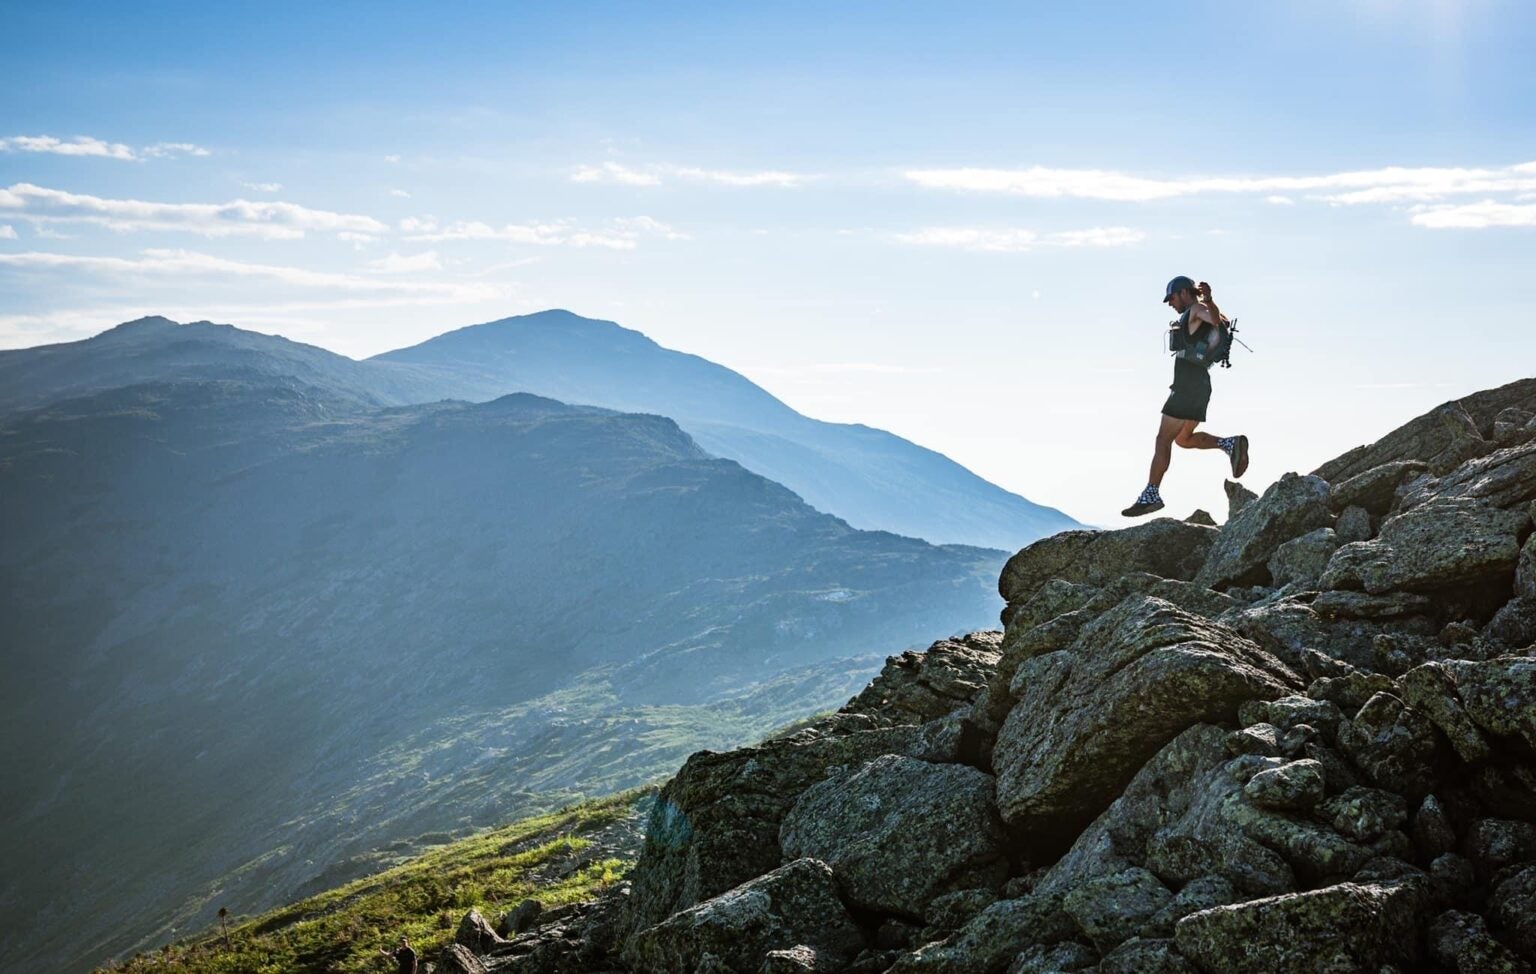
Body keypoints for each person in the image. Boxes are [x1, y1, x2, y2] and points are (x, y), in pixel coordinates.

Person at [1121, 275, 1249, 517]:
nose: (1171, 303)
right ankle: (1230, 444)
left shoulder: (1196, 309)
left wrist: (1208, 299)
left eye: (1172, 298)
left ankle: (1151, 495)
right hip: (1200, 384)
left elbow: (1210, 316)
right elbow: (1217, 322)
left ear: (1182, 293)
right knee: (1183, 439)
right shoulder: (1198, 312)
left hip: (1187, 386)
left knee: (1162, 440)